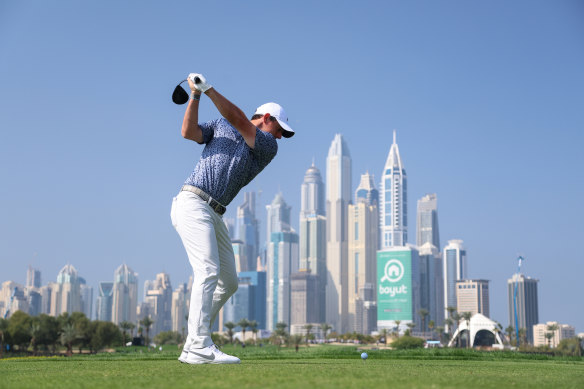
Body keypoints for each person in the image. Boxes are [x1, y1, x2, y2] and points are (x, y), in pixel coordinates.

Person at [171, 73, 294, 364]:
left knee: (229, 281)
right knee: (208, 270)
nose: (280, 137)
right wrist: (196, 95)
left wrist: (209, 89)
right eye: (280, 130)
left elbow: (239, 119)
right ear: (267, 118)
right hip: (192, 202)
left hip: (215, 213)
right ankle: (200, 345)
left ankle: (193, 342)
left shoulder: (266, 146)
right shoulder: (219, 125)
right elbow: (188, 132)